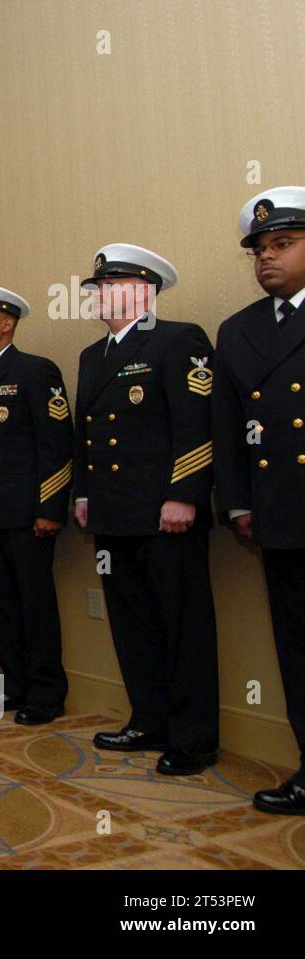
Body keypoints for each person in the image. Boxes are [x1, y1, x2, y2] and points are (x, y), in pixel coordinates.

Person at [73, 243, 219, 776]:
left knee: (182, 624)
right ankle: (148, 718)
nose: (99, 295)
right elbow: (86, 435)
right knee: (131, 620)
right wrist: (84, 494)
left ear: (145, 290)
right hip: (113, 514)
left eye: (111, 285)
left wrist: (183, 495)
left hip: (165, 514)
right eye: (97, 286)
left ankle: (193, 736)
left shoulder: (179, 340)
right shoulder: (94, 356)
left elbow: (195, 425)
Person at [213, 187, 305, 813]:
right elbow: (228, 426)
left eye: (283, 245)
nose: (266, 258)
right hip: (280, 514)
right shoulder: (239, 329)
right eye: (259, 249)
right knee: (297, 648)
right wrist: (239, 503)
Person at [0, 284, 72, 722]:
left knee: (34, 604)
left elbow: (56, 444)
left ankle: (46, 692)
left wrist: (50, 507)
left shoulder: (35, 371)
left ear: (7, 323)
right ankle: (15, 683)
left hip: (26, 512)